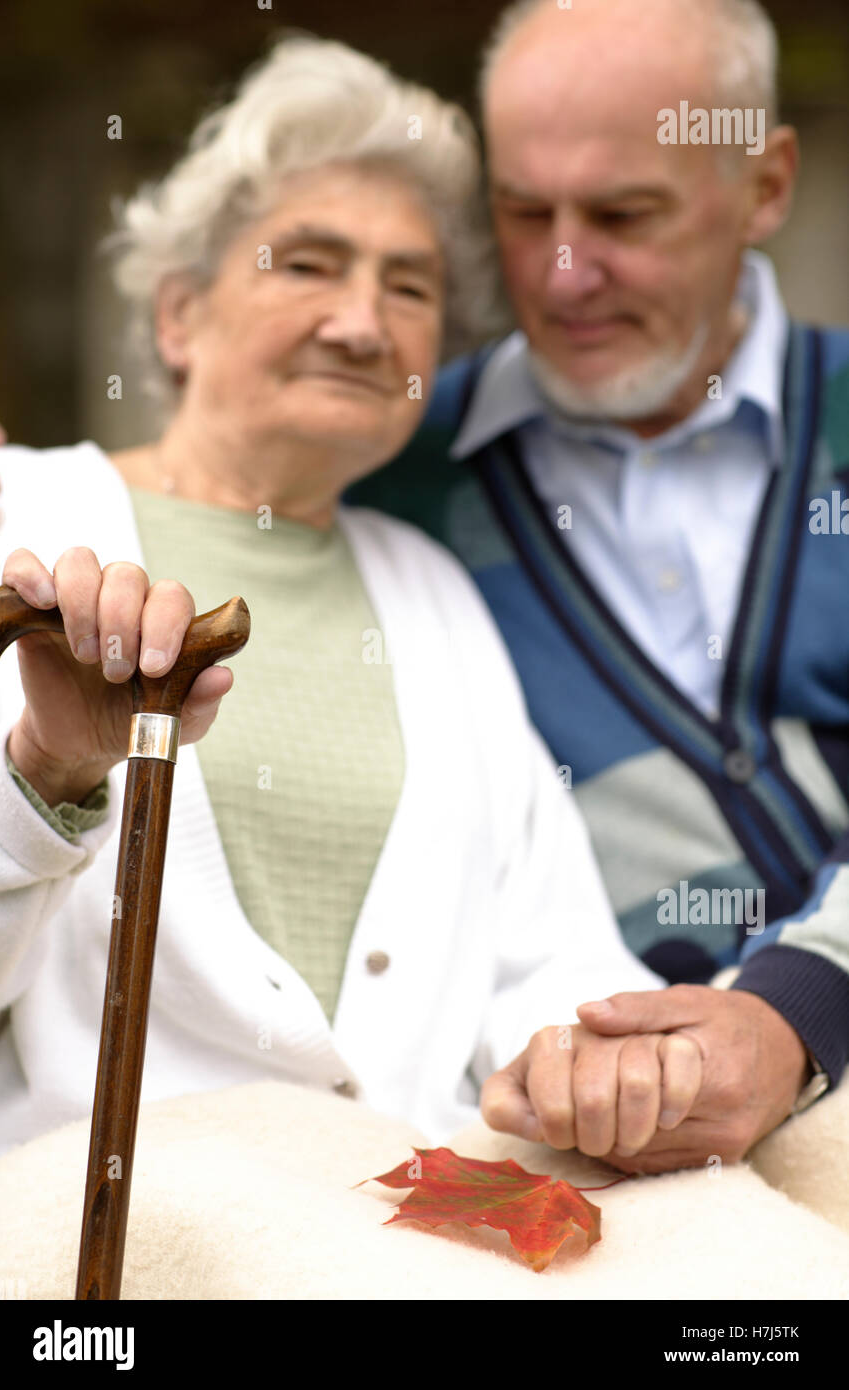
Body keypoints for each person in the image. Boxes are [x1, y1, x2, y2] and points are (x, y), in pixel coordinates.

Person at [0, 36, 696, 1167]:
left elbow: (550, 962)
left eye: (406, 287)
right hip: (93, 1247)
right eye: (306, 264)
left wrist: (595, 1057)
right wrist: (47, 776)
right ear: (178, 317)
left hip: (401, 1238)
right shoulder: (10, 521)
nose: (362, 324)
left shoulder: (431, 591)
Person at [347, 0, 849, 1171]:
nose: (565, 274)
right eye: (525, 215)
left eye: (624, 214)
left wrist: (796, 1008)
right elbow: (204, 516)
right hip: (612, 1158)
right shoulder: (387, 477)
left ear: (764, 184)